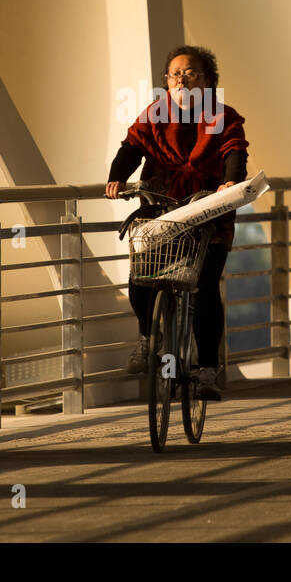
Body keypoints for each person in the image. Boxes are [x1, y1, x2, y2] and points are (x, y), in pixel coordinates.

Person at [105, 45, 248, 401]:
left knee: (205, 285)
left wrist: (230, 182)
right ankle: (146, 339)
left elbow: (234, 150)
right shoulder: (157, 113)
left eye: (190, 73)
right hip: (163, 205)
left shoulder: (220, 115)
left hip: (208, 207)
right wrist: (116, 179)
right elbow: (132, 146)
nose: (180, 79)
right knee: (143, 271)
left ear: (208, 81)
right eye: (174, 74)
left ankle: (207, 371)